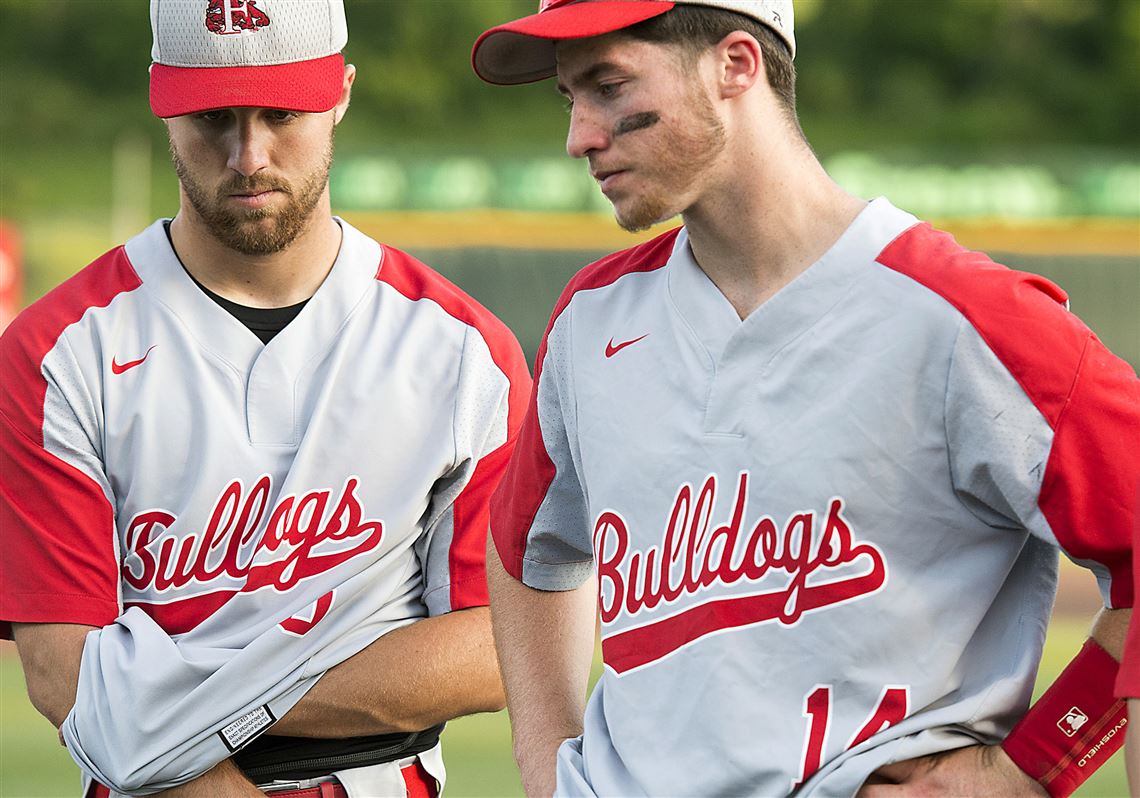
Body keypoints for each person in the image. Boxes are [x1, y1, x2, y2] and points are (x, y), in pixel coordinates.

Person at [470, 1, 1139, 796]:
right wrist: (548, 771)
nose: (580, 135)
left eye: (609, 86)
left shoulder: (963, 318)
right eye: (568, 97)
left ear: (736, 64)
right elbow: (524, 555)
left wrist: (1034, 766)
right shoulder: (592, 322)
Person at [0, 1, 529, 796]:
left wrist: (186, 700)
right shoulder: (54, 353)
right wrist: (362, 660)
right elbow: (64, 678)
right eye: (213, 116)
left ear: (341, 92)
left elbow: (501, 648)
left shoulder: (463, 352)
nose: (248, 154)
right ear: (161, 100)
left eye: (282, 111)